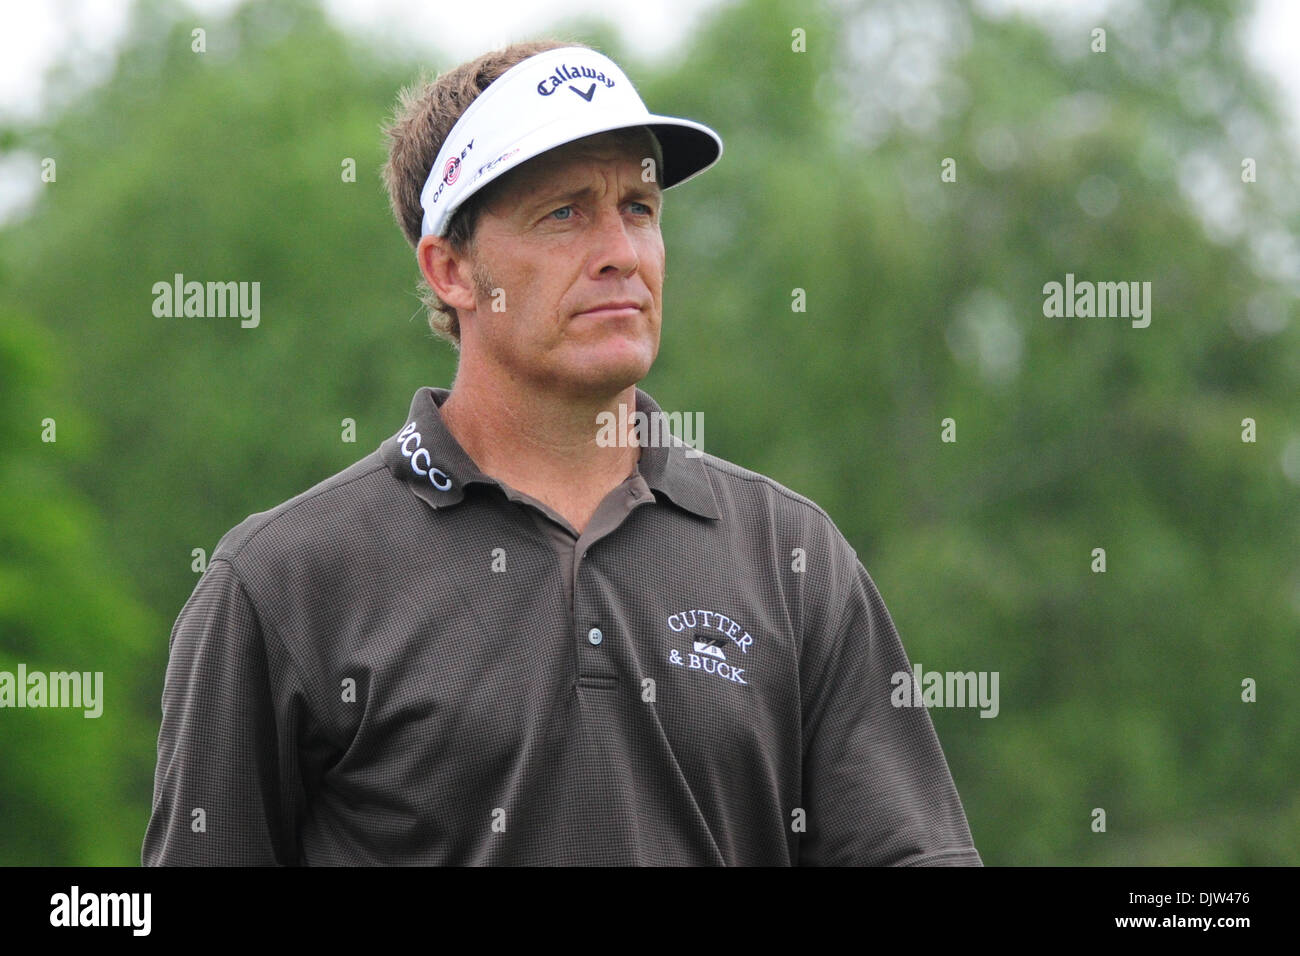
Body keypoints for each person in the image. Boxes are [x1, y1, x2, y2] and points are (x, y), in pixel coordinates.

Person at [142, 39, 981, 866]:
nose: (621, 251)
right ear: (451, 270)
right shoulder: (284, 581)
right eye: (565, 213)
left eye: (639, 209)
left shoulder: (793, 557)